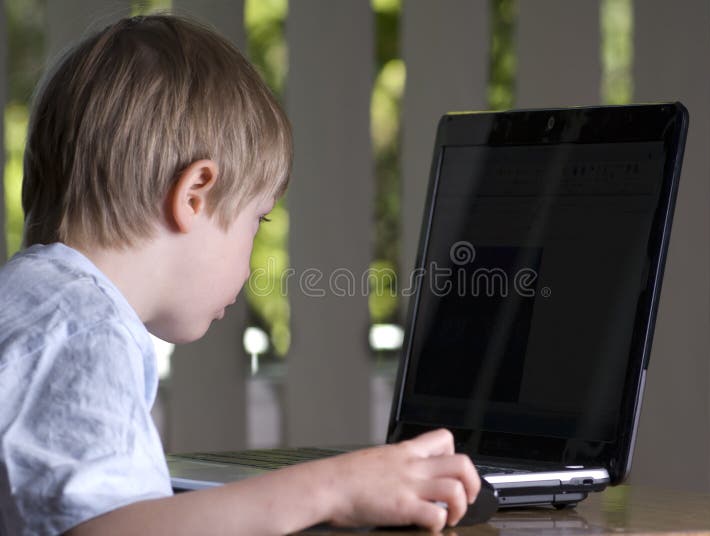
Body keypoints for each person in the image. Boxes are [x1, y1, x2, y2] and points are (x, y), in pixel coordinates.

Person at [0, 14, 480, 535]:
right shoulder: (84, 331)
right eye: (259, 219)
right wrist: (332, 487)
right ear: (194, 196)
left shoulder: (33, 302)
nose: (254, 252)